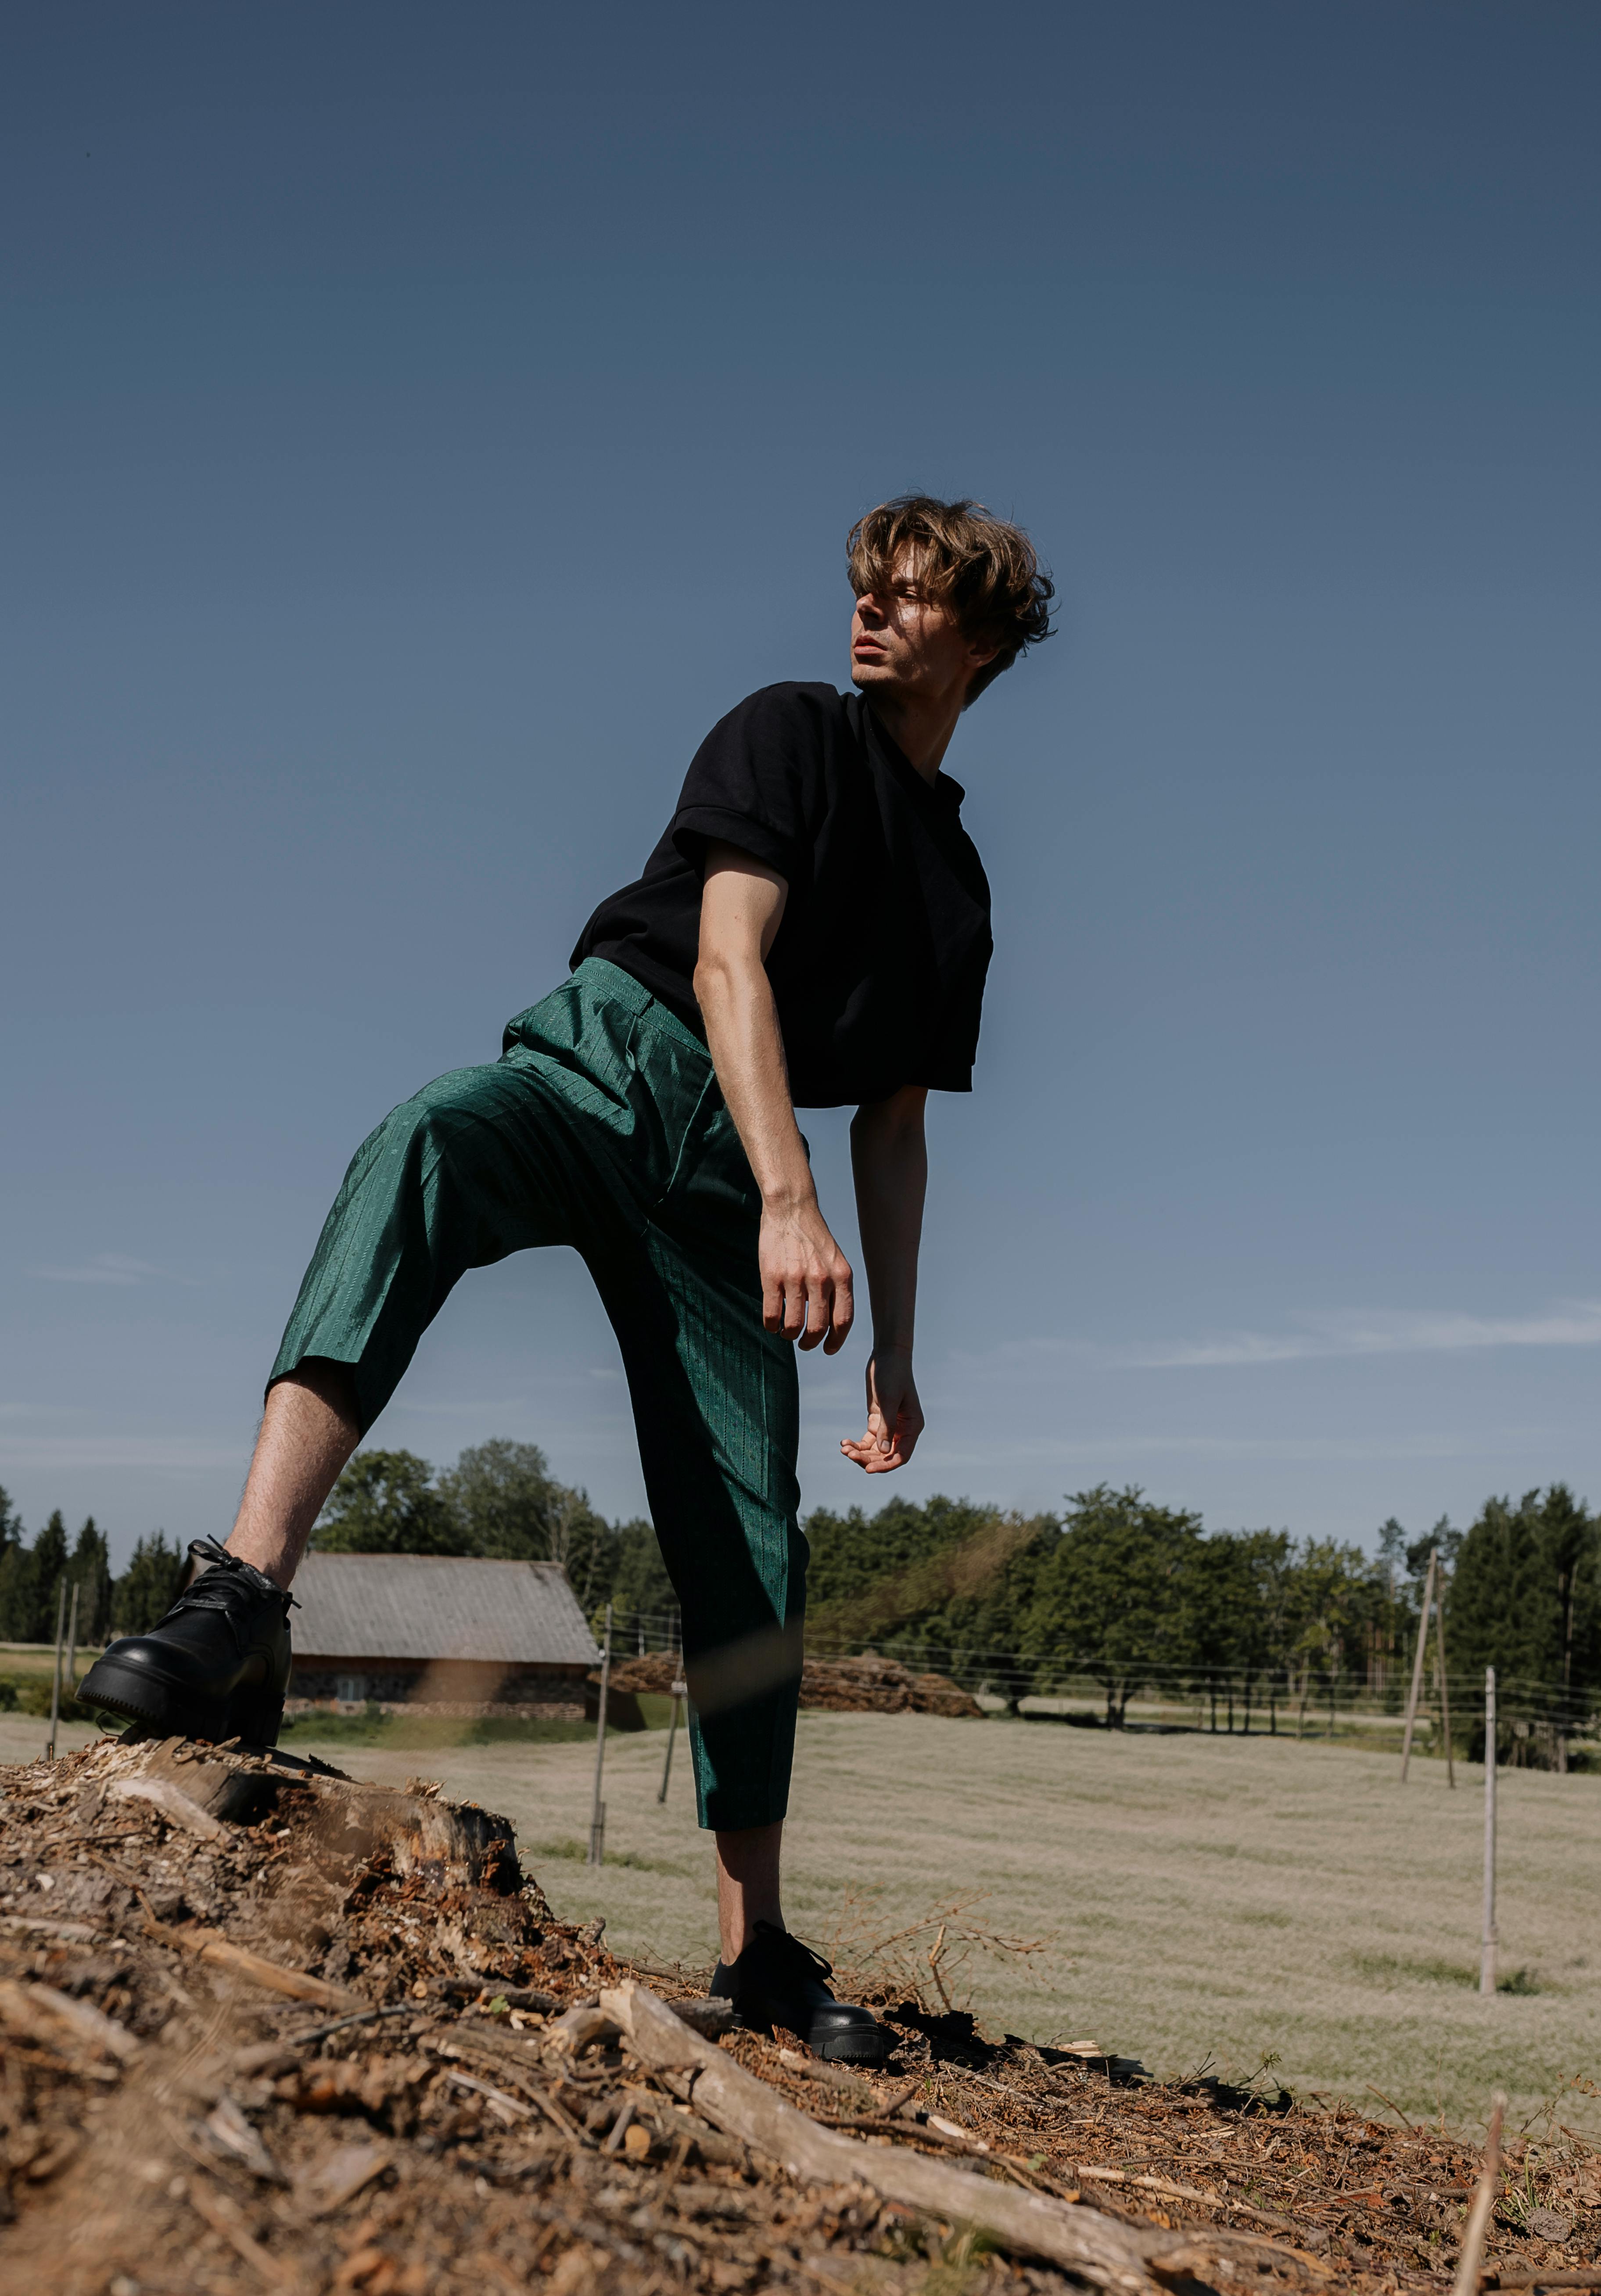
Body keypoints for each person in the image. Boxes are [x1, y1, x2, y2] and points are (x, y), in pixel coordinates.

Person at [83, 493, 1054, 2061]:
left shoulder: (961, 895)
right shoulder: (791, 730)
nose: (872, 607)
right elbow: (730, 957)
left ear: (989, 637)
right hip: (609, 1061)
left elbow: (896, 1123)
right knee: (422, 1147)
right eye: (867, 581)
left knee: (749, 1527)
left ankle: (756, 1948)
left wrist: (902, 1348)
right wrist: (790, 1197)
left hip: (728, 1178)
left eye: (916, 592)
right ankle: (245, 1599)